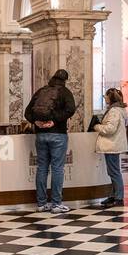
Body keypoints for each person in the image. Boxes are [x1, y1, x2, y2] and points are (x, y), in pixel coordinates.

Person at [24, 69, 76, 214]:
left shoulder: (41, 91)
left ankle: (41, 204)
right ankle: (56, 204)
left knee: (42, 168)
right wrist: (55, 120)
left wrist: (36, 122)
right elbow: (71, 109)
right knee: (57, 169)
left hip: (40, 135)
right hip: (58, 135)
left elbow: (27, 112)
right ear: (65, 80)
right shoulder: (65, 92)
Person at [94, 87, 128, 208]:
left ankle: (118, 198)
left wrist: (97, 126)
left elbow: (110, 129)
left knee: (114, 172)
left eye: (106, 96)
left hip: (112, 144)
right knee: (112, 171)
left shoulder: (114, 111)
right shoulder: (119, 110)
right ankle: (114, 195)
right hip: (113, 144)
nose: (105, 99)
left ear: (111, 98)